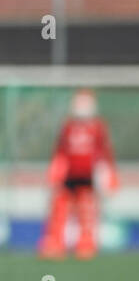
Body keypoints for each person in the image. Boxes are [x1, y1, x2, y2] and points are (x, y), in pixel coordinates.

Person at [38, 88, 118, 259]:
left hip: (88, 176)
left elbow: (105, 152)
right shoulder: (67, 126)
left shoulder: (98, 127)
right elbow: (60, 150)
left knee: (87, 210)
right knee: (59, 208)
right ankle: (55, 243)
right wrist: (55, 170)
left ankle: (86, 243)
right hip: (69, 176)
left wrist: (108, 175)